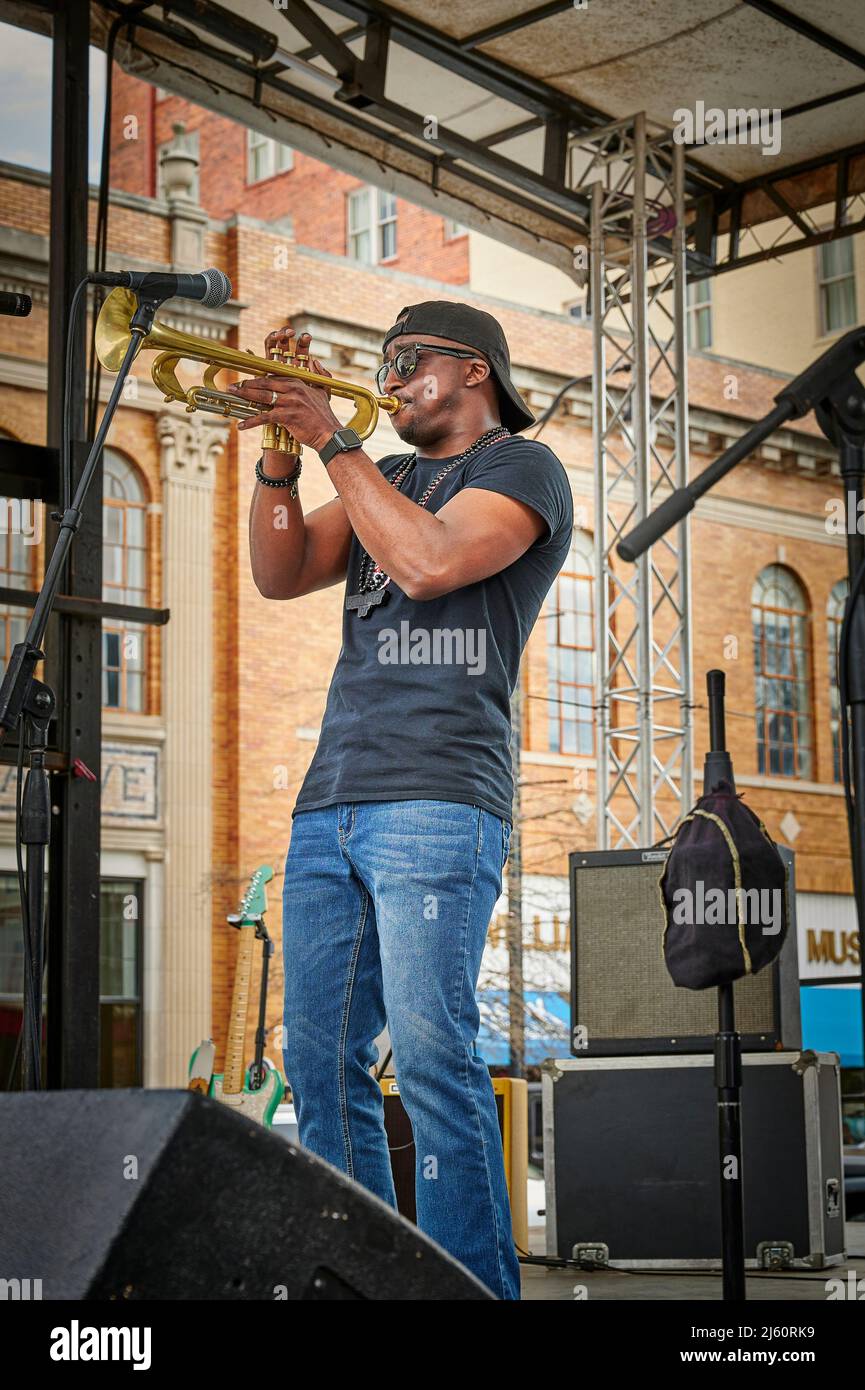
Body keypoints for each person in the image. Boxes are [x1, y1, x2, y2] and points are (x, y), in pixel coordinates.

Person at [234, 301, 573, 1301]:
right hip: (330, 796)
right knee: (319, 1060)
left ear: (471, 370)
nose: (386, 379)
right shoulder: (386, 478)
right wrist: (281, 465)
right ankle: (360, 1284)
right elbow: (280, 568)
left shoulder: (518, 468)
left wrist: (330, 437)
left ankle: (473, 1292)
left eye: (404, 362)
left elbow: (427, 563)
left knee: (432, 1056)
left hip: (436, 795)